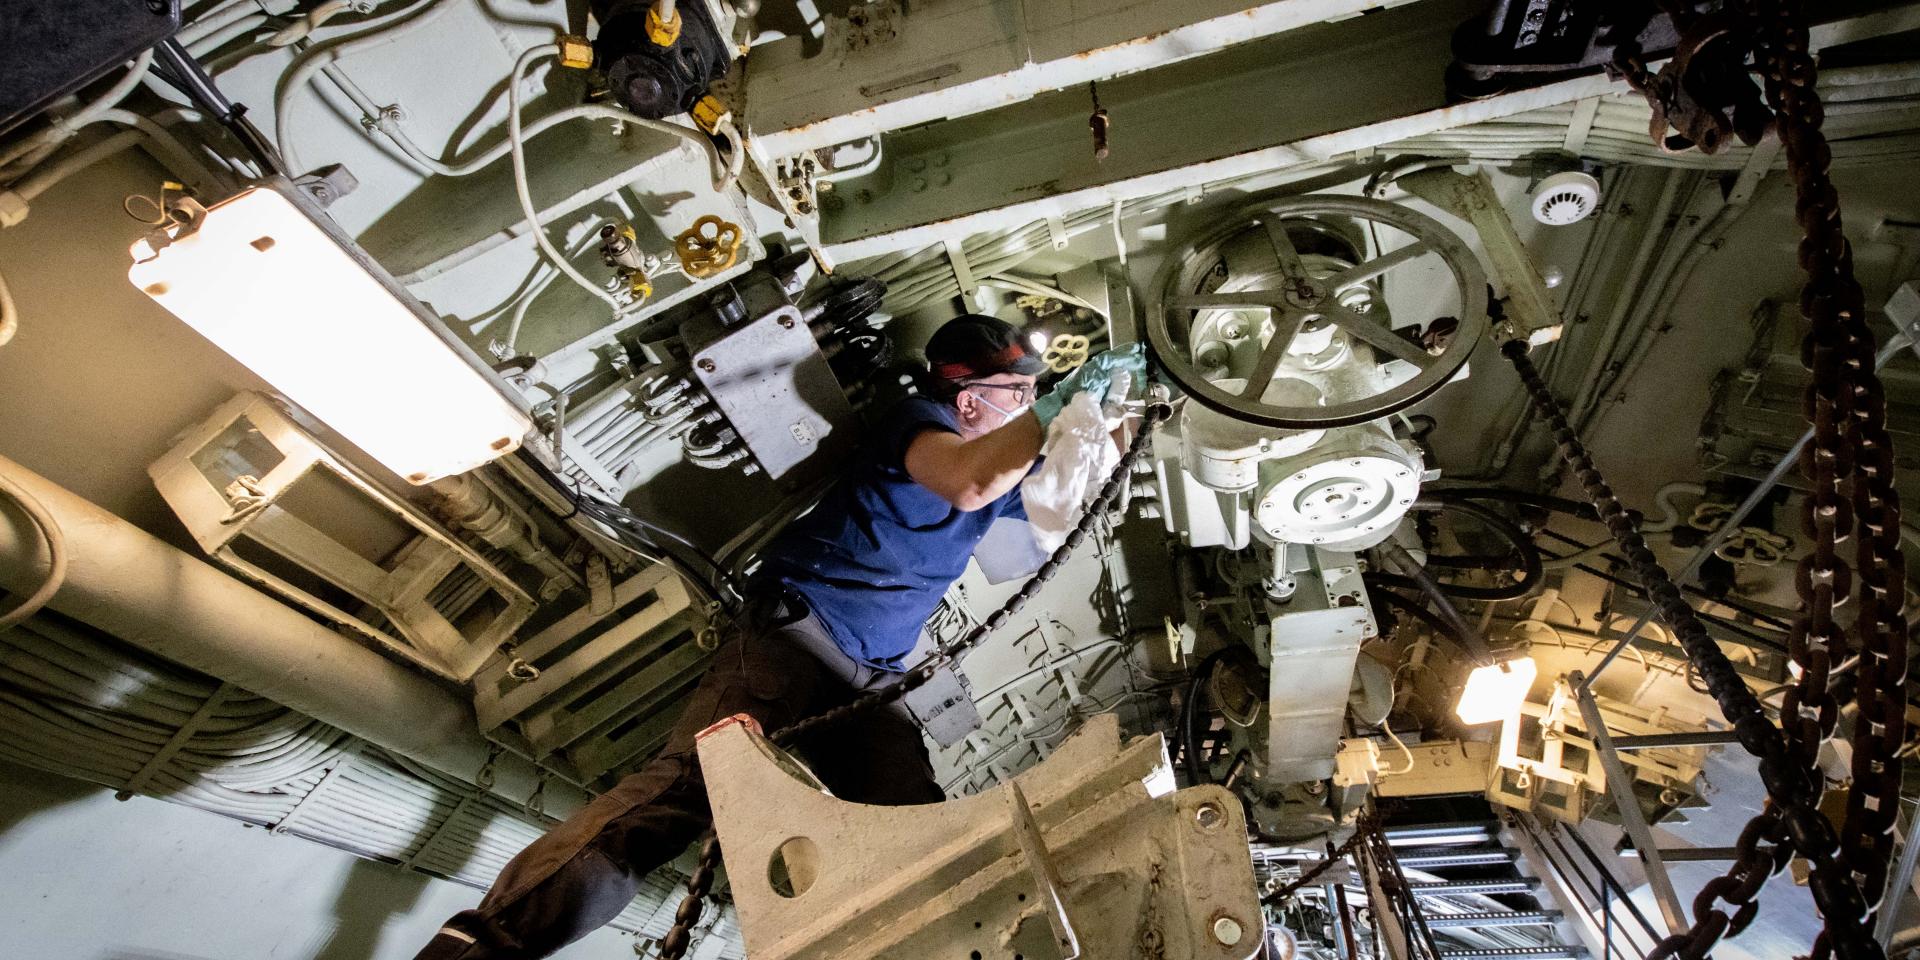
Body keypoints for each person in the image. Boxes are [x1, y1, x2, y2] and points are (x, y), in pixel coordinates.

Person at [416, 316, 1147, 959]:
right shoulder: (922, 427)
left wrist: (1124, 406)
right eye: (1018, 394)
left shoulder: (1004, 465)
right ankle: (484, 947)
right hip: (795, 642)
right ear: (969, 398)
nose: (1028, 408)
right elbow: (966, 482)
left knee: (922, 842)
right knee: (678, 797)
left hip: (873, 681)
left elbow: (1066, 490)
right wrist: (1054, 406)